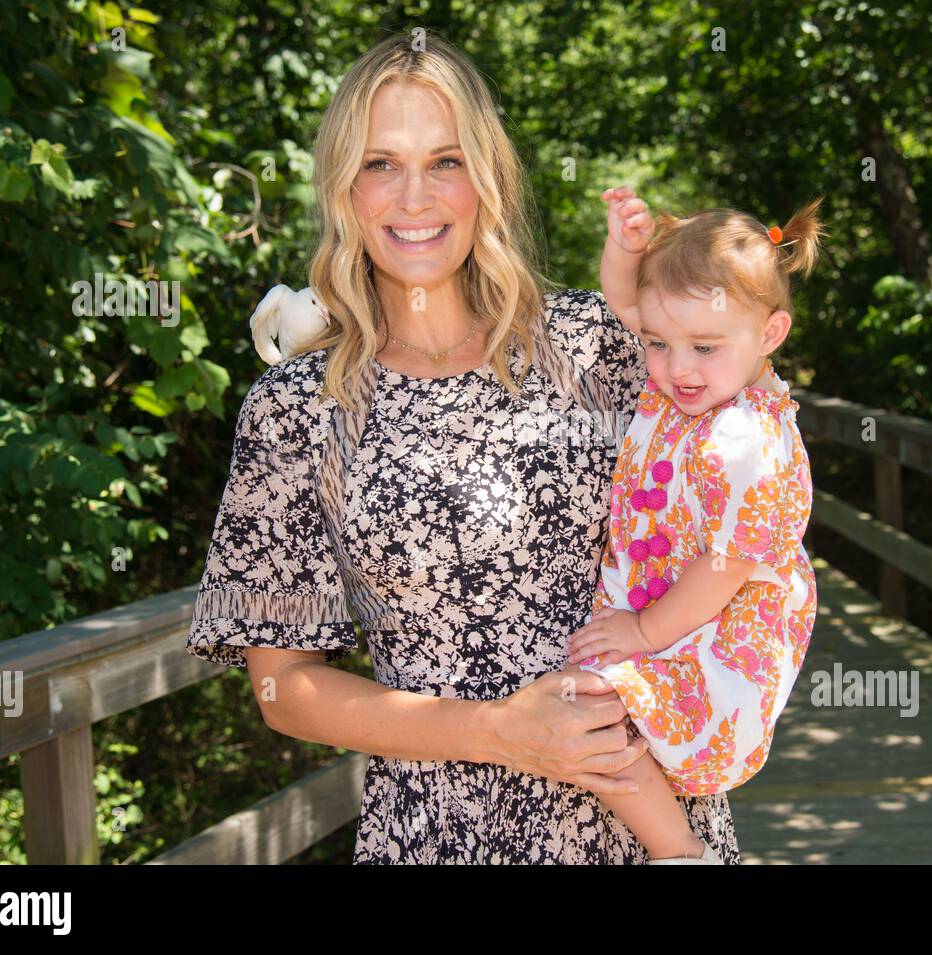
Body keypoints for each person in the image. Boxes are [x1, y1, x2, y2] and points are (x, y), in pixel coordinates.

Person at [184, 32, 741, 864]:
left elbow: (742, 452)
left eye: (444, 160)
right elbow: (285, 688)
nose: (414, 196)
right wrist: (501, 732)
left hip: (650, 825)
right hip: (443, 831)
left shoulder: (599, 346)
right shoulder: (299, 406)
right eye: (380, 164)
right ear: (345, 189)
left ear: (487, 179)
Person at [564, 188, 823, 863]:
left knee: (587, 700)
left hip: (715, 638)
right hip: (664, 622)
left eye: (703, 345)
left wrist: (641, 633)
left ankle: (682, 852)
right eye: (659, 342)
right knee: (584, 706)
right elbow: (629, 301)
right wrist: (625, 248)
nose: (677, 366)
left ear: (770, 334)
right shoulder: (686, 380)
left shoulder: (747, 438)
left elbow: (729, 564)